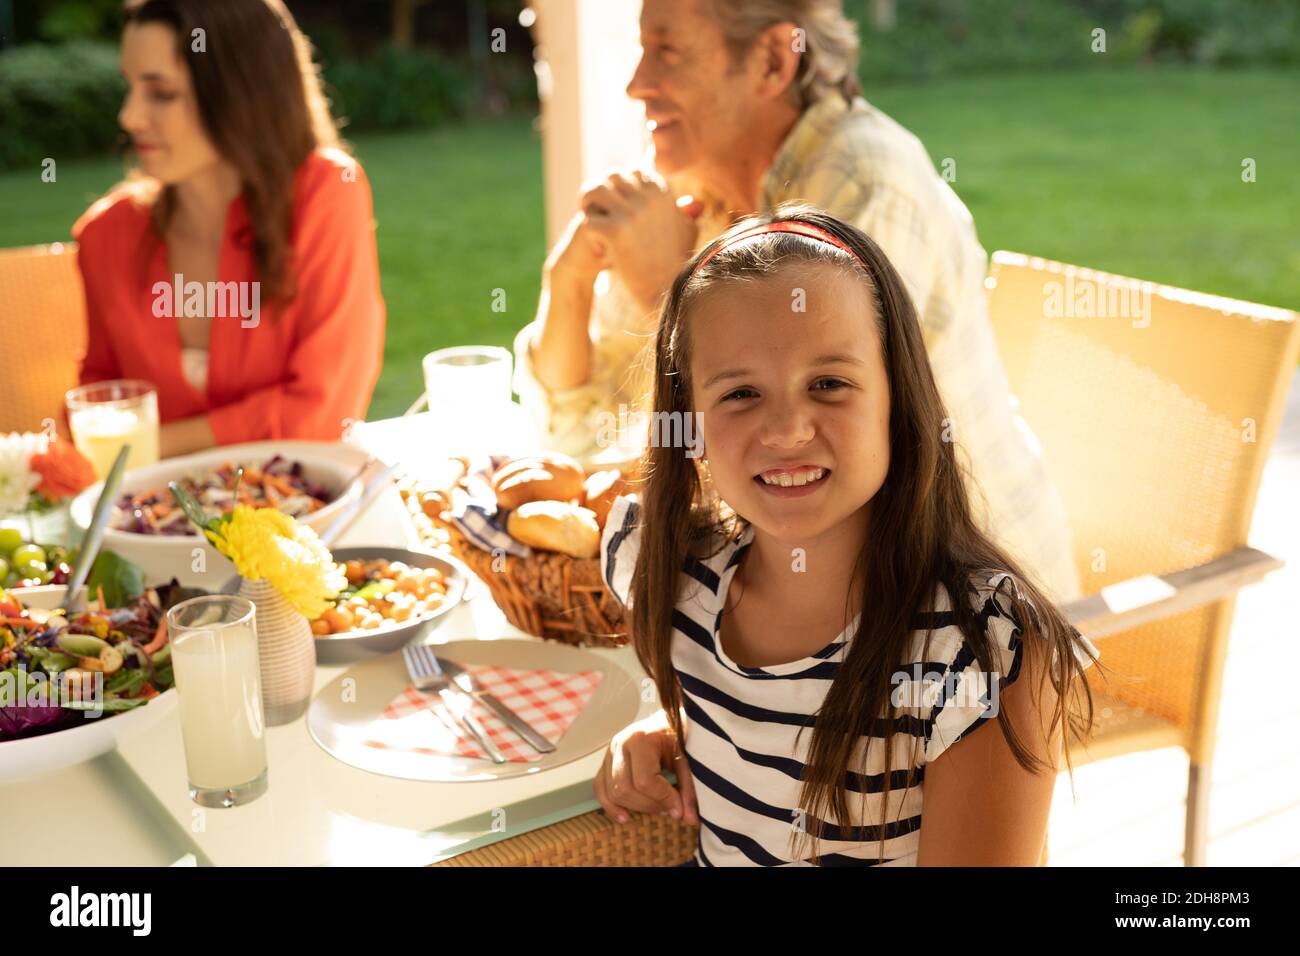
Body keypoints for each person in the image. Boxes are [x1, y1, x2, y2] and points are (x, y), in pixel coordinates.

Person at [514, 0, 1081, 603]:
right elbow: (584, 442)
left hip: (958, 620)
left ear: (772, 61)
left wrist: (667, 292)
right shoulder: (696, 194)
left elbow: (801, 465)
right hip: (786, 603)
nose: (636, 84)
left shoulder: (861, 185)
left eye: (668, 51)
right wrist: (568, 284)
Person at [592, 208, 1103, 866]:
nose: (786, 430)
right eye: (741, 393)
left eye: (829, 384)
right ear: (689, 426)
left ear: (899, 399)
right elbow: (764, 729)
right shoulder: (671, 572)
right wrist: (675, 731)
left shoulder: (976, 655)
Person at [73, 0, 386, 458]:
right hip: (148, 523)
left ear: (239, 91)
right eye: (131, 88)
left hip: (300, 514)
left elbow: (324, 411)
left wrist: (150, 445)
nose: (130, 116)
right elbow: (97, 399)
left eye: (161, 92)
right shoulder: (105, 235)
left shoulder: (327, 193)